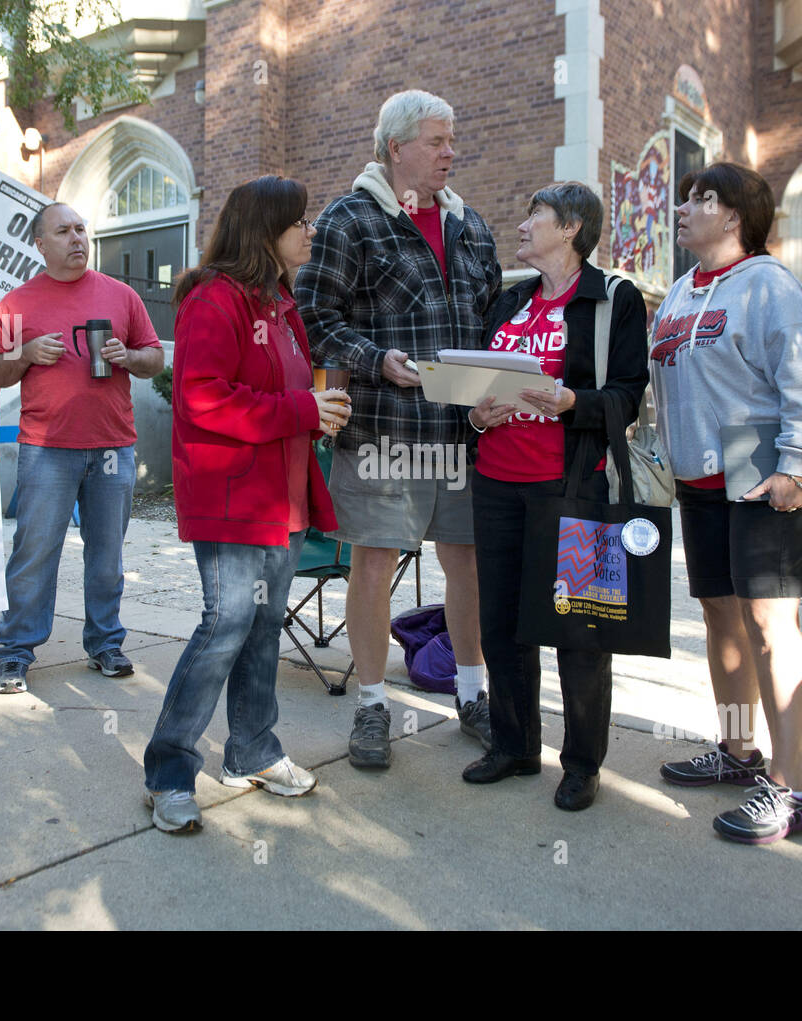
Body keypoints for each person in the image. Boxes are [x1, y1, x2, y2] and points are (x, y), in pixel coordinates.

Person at [650, 163, 802, 843]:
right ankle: (739, 753)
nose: (684, 208)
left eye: (699, 199)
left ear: (734, 215)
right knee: (720, 620)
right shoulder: (682, 291)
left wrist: (798, 463)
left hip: (763, 471)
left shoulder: (769, 284)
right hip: (701, 480)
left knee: (771, 627)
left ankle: (794, 787)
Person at [296, 89, 502, 769]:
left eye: (453, 139)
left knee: (467, 559)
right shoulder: (349, 218)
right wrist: (371, 358)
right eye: (438, 140)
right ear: (395, 147)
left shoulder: (470, 224)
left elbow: (492, 319)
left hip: (464, 432)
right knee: (375, 561)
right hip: (385, 429)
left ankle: (473, 694)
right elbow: (312, 316)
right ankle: (373, 704)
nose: (452, 152)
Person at [142, 176, 351, 833]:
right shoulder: (214, 298)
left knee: (261, 629)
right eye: (299, 222)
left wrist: (314, 415)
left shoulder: (281, 304)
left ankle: (252, 750)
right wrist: (303, 408)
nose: (309, 232)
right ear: (266, 231)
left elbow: (283, 398)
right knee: (224, 627)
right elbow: (202, 396)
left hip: (279, 498)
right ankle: (170, 771)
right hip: (234, 498)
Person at [459, 182, 649, 811]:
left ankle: (582, 763)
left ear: (570, 228)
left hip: (576, 486)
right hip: (497, 484)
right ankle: (514, 745)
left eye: (534, 214)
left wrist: (571, 402)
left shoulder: (612, 299)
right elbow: (482, 388)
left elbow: (626, 397)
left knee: (582, 631)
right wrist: (479, 418)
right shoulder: (509, 301)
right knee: (504, 623)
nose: (522, 224)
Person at [0, 202, 163, 693]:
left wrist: (130, 356)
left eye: (81, 229)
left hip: (113, 446)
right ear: (40, 244)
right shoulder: (18, 303)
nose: (77, 238)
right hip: (47, 447)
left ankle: (105, 643)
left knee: (106, 555)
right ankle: (15, 654)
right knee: (35, 552)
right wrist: (26, 354)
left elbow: (155, 358)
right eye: (63, 231)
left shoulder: (121, 296)